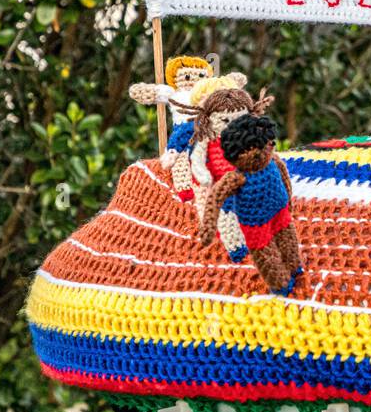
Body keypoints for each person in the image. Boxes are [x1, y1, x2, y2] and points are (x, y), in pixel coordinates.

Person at [199, 113, 304, 295]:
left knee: (288, 239)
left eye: (268, 145)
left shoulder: (273, 160)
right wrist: (208, 227)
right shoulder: (236, 178)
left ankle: (294, 267)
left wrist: (288, 199)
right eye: (256, 152)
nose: (264, 153)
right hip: (255, 222)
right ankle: (280, 284)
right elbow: (215, 197)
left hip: (279, 210)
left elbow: (284, 177)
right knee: (265, 254)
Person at [128, 56, 246, 166]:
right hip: (183, 131)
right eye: (187, 77)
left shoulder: (208, 92)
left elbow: (225, 87)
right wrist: (144, 91)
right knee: (182, 158)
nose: (195, 80)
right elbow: (155, 92)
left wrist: (231, 81)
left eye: (201, 76)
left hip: (209, 130)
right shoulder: (175, 94)